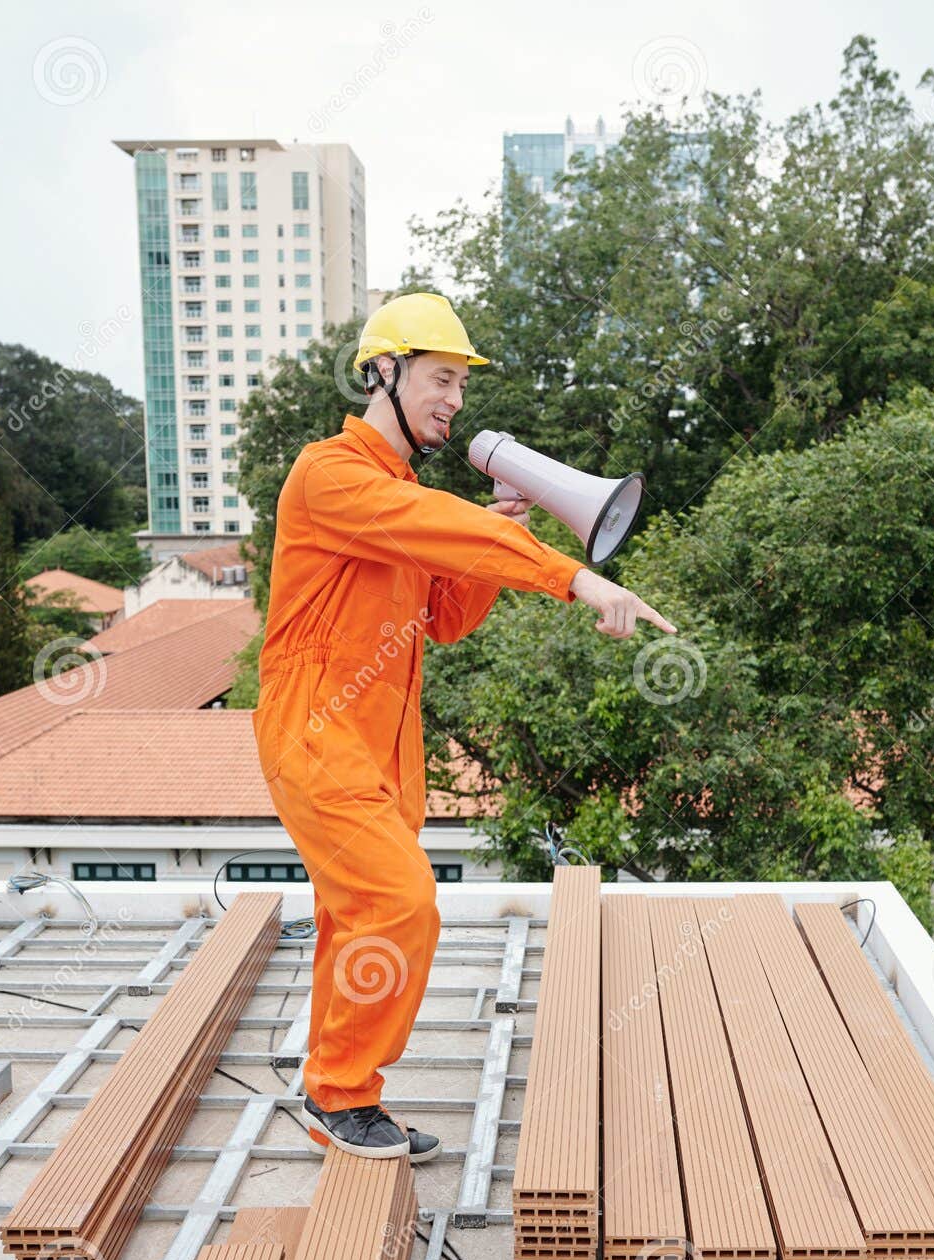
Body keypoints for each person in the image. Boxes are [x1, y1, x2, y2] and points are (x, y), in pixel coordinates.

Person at [253, 292, 677, 1159]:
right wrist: (573, 578)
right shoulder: (330, 474)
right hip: (318, 732)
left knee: (356, 915)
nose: (453, 399)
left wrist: (491, 535)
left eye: (460, 384)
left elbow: (442, 618)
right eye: (440, 378)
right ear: (385, 371)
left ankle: (337, 1087)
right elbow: (426, 525)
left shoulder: (399, 497)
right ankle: (340, 1096)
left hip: (379, 745)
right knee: (400, 904)